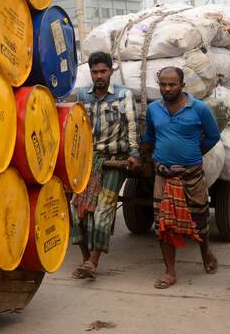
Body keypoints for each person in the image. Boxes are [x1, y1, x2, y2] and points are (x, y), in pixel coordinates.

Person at [139, 66, 221, 288]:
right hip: (163, 175)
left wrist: (192, 153)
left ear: (182, 85)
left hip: (192, 175)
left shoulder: (200, 109)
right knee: (163, 224)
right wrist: (140, 157)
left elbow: (213, 136)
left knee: (200, 220)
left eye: (172, 84)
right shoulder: (154, 109)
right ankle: (170, 271)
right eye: (163, 84)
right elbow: (149, 136)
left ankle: (205, 250)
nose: (167, 88)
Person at [71, 52, 139, 279]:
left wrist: (134, 154)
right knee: (75, 211)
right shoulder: (82, 96)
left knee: (103, 209)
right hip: (86, 163)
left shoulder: (123, 96)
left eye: (103, 71)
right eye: (95, 72)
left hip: (114, 162)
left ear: (111, 71)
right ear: (90, 73)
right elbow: (75, 129)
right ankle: (84, 259)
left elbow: (131, 126)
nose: (99, 76)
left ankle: (93, 261)